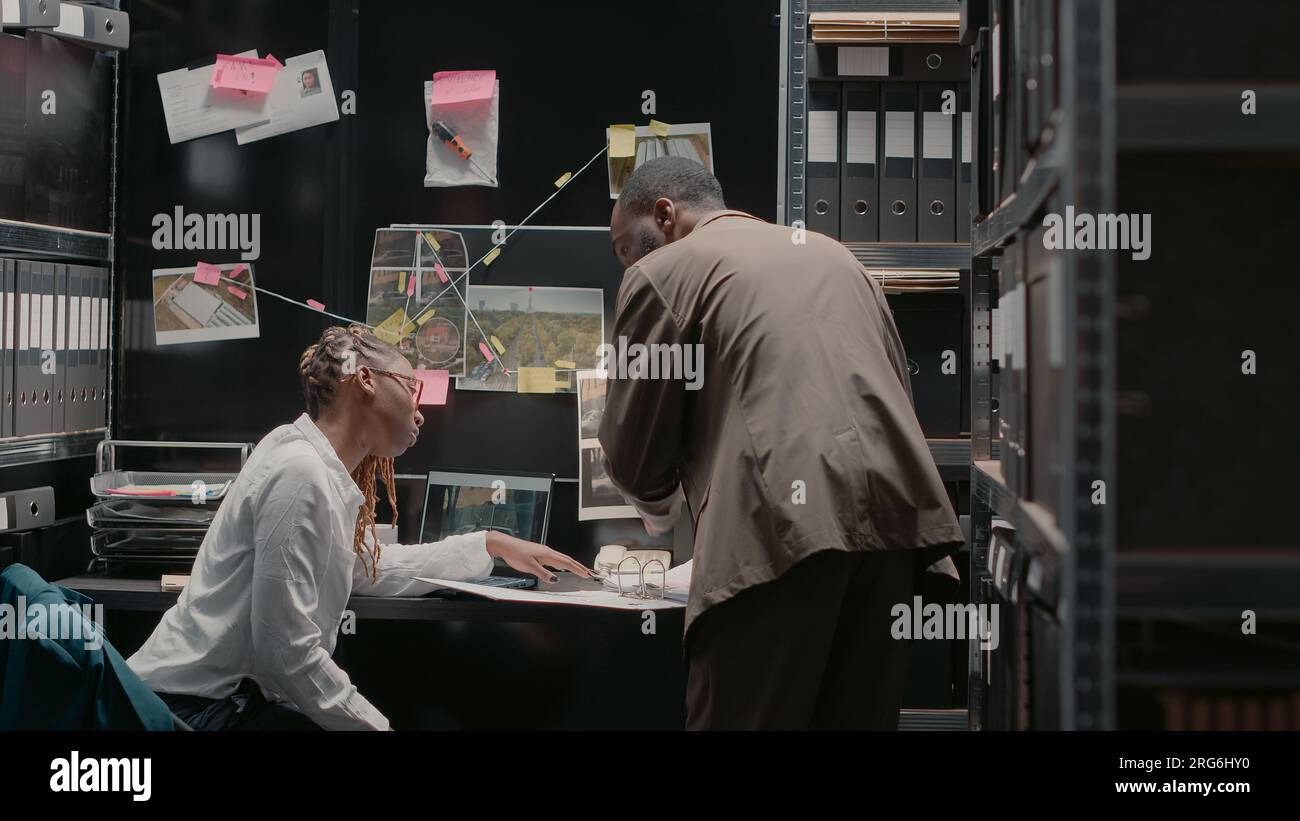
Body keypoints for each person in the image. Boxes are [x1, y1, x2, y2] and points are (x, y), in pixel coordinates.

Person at [600, 157, 964, 730]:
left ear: (664, 214)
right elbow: (899, 386)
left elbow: (633, 453)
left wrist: (655, 506)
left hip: (779, 536)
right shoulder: (838, 256)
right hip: (896, 529)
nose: (627, 261)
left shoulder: (663, 271)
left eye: (625, 246)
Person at [128, 325, 589, 730]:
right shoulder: (299, 472)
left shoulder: (311, 464)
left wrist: (488, 543)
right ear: (366, 380)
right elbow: (284, 651)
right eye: (411, 385)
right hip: (193, 710)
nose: (419, 408)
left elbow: (366, 567)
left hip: (225, 702)